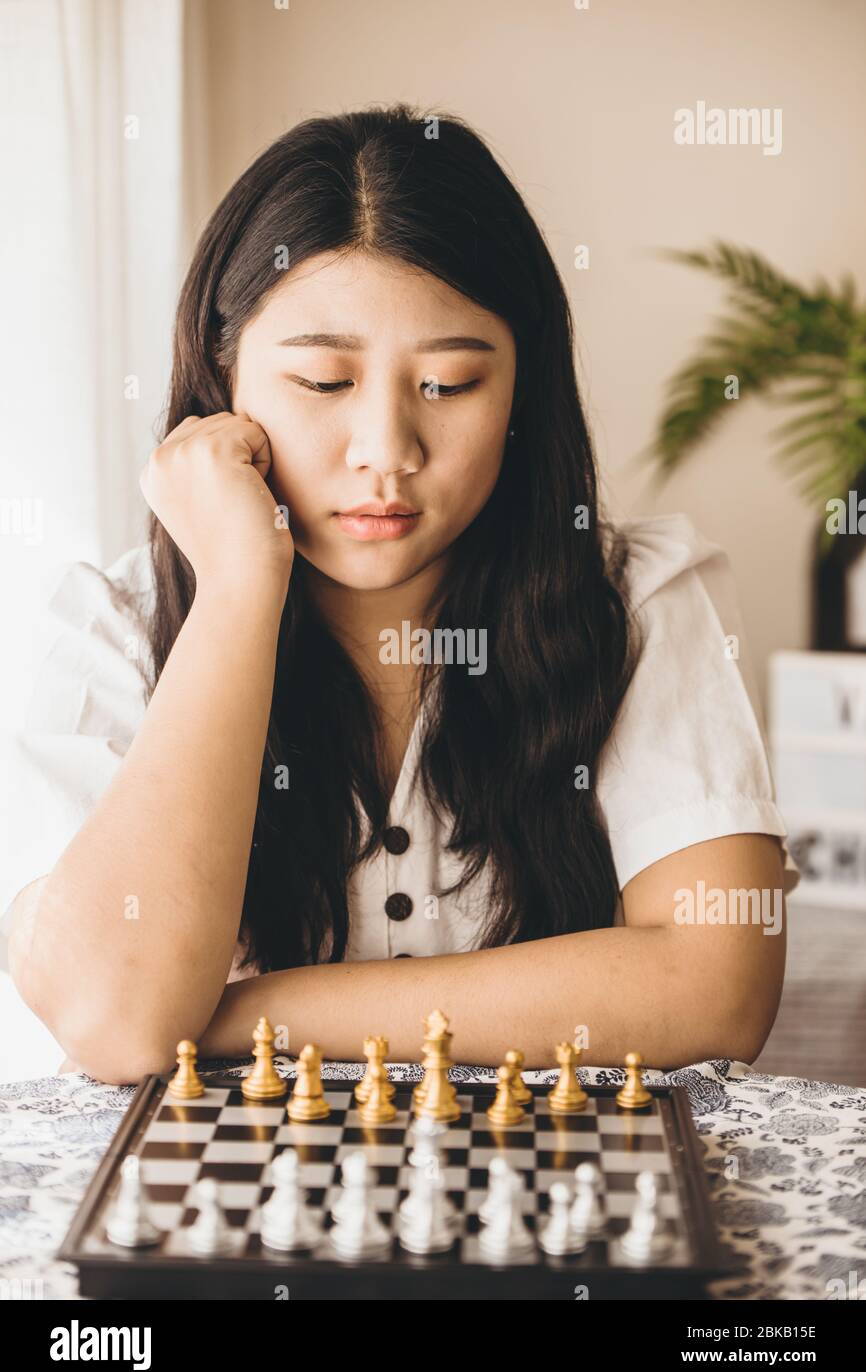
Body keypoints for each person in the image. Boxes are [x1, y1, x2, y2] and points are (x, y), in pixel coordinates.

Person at [3, 104, 798, 1084]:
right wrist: (243, 588)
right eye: (323, 382)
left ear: (521, 393)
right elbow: (112, 1015)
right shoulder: (115, 630)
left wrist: (239, 1015)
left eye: (450, 384)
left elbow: (713, 988)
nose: (386, 450)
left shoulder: (638, 601)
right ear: (222, 377)